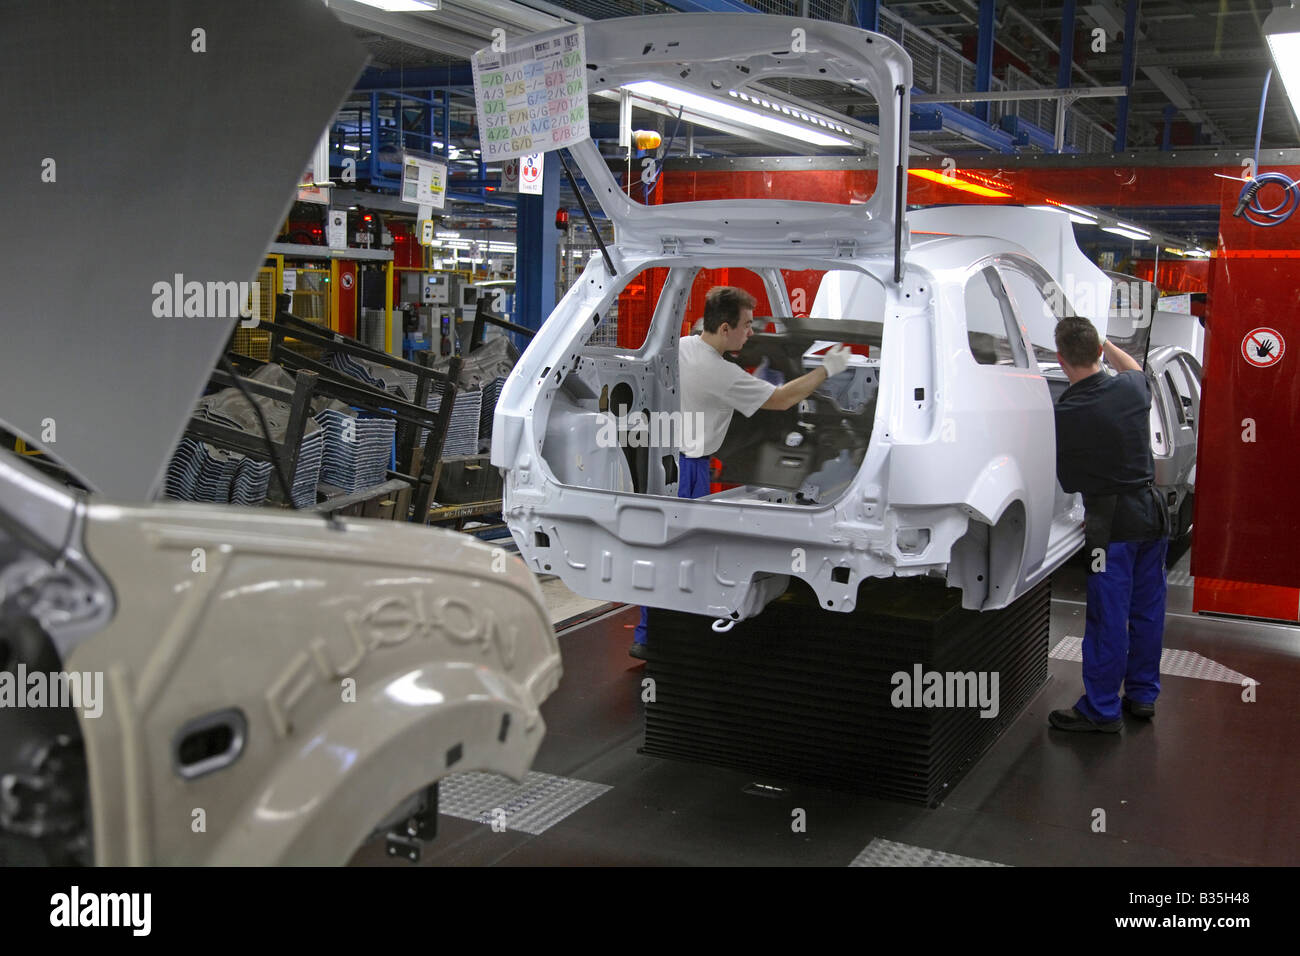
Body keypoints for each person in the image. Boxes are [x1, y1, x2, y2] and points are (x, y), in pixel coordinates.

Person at [630, 286, 850, 659]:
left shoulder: (683, 346)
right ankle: (680, 640)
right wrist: (827, 369)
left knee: (661, 550)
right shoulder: (718, 371)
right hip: (689, 470)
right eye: (747, 325)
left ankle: (649, 634)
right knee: (688, 554)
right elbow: (780, 400)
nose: (750, 332)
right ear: (726, 327)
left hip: (661, 460)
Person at [1049, 316, 1170, 732]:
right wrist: (1106, 343)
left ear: (1061, 360)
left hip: (1110, 529)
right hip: (1152, 517)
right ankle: (1142, 695)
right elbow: (1134, 368)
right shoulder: (1131, 389)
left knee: (1108, 617)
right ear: (1100, 351)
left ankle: (1101, 710)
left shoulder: (1065, 412)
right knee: (1148, 611)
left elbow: (1067, 478)